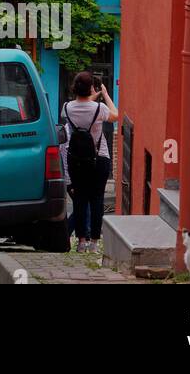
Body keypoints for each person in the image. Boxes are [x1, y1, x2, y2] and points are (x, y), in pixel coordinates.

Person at [62, 71, 117, 252]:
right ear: (91, 88)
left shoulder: (67, 107)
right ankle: (94, 242)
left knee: (80, 200)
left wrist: (93, 93)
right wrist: (105, 94)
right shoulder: (99, 109)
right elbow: (115, 115)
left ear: (74, 88)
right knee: (97, 200)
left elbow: (84, 102)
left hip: (76, 160)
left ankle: (81, 242)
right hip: (99, 158)